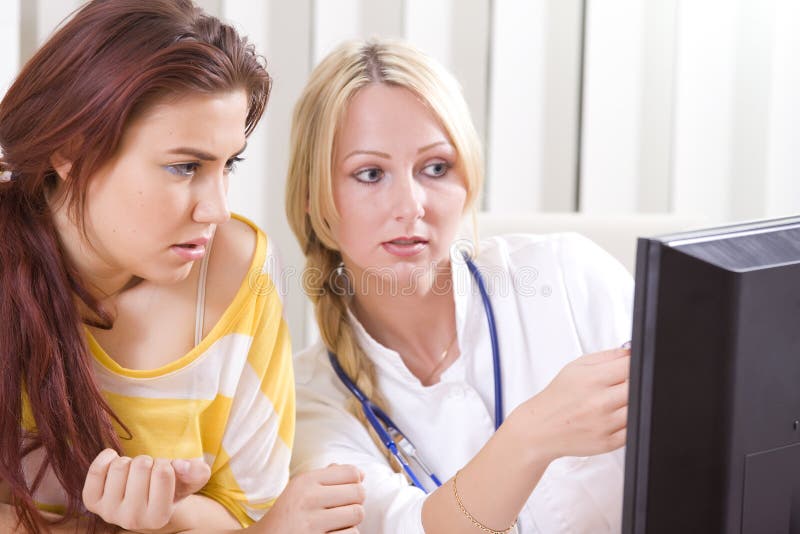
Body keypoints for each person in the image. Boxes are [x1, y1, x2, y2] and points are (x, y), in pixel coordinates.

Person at [0, 1, 364, 533]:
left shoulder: (241, 277)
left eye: (228, 164)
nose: (216, 209)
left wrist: (167, 512)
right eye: (184, 167)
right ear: (69, 151)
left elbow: (248, 514)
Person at [286, 38, 633, 534]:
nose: (411, 205)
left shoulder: (569, 276)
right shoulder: (309, 402)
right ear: (312, 195)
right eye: (370, 173)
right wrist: (533, 434)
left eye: (435, 168)